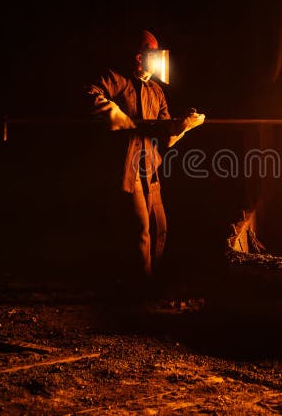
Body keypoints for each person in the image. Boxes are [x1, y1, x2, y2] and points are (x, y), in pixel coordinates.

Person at [85, 30, 204, 287]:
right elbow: (89, 93)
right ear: (139, 56)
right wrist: (119, 118)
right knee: (141, 230)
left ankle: (153, 279)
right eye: (152, 52)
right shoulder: (117, 80)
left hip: (150, 166)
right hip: (128, 168)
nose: (158, 57)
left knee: (160, 226)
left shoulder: (155, 90)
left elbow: (164, 134)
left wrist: (183, 126)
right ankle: (142, 285)